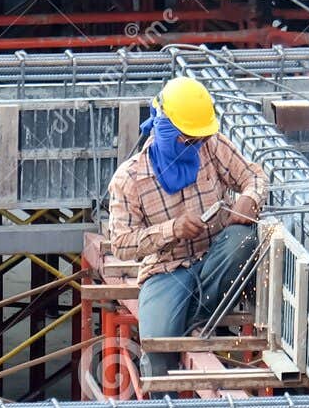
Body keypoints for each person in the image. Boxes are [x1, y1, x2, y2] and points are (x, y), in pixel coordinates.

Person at [105, 76, 266, 380]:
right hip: (167, 269)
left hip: (216, 257)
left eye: (200, 138)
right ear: (165, 130)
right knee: (158, 346)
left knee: (242, 241)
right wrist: (172, 230)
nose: (197, 144)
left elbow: (254, 176)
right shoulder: (129, 179)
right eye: (189, 139)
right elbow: (121, 244)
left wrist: (249, 198)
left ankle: (199, 315)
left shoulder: (211, 146)